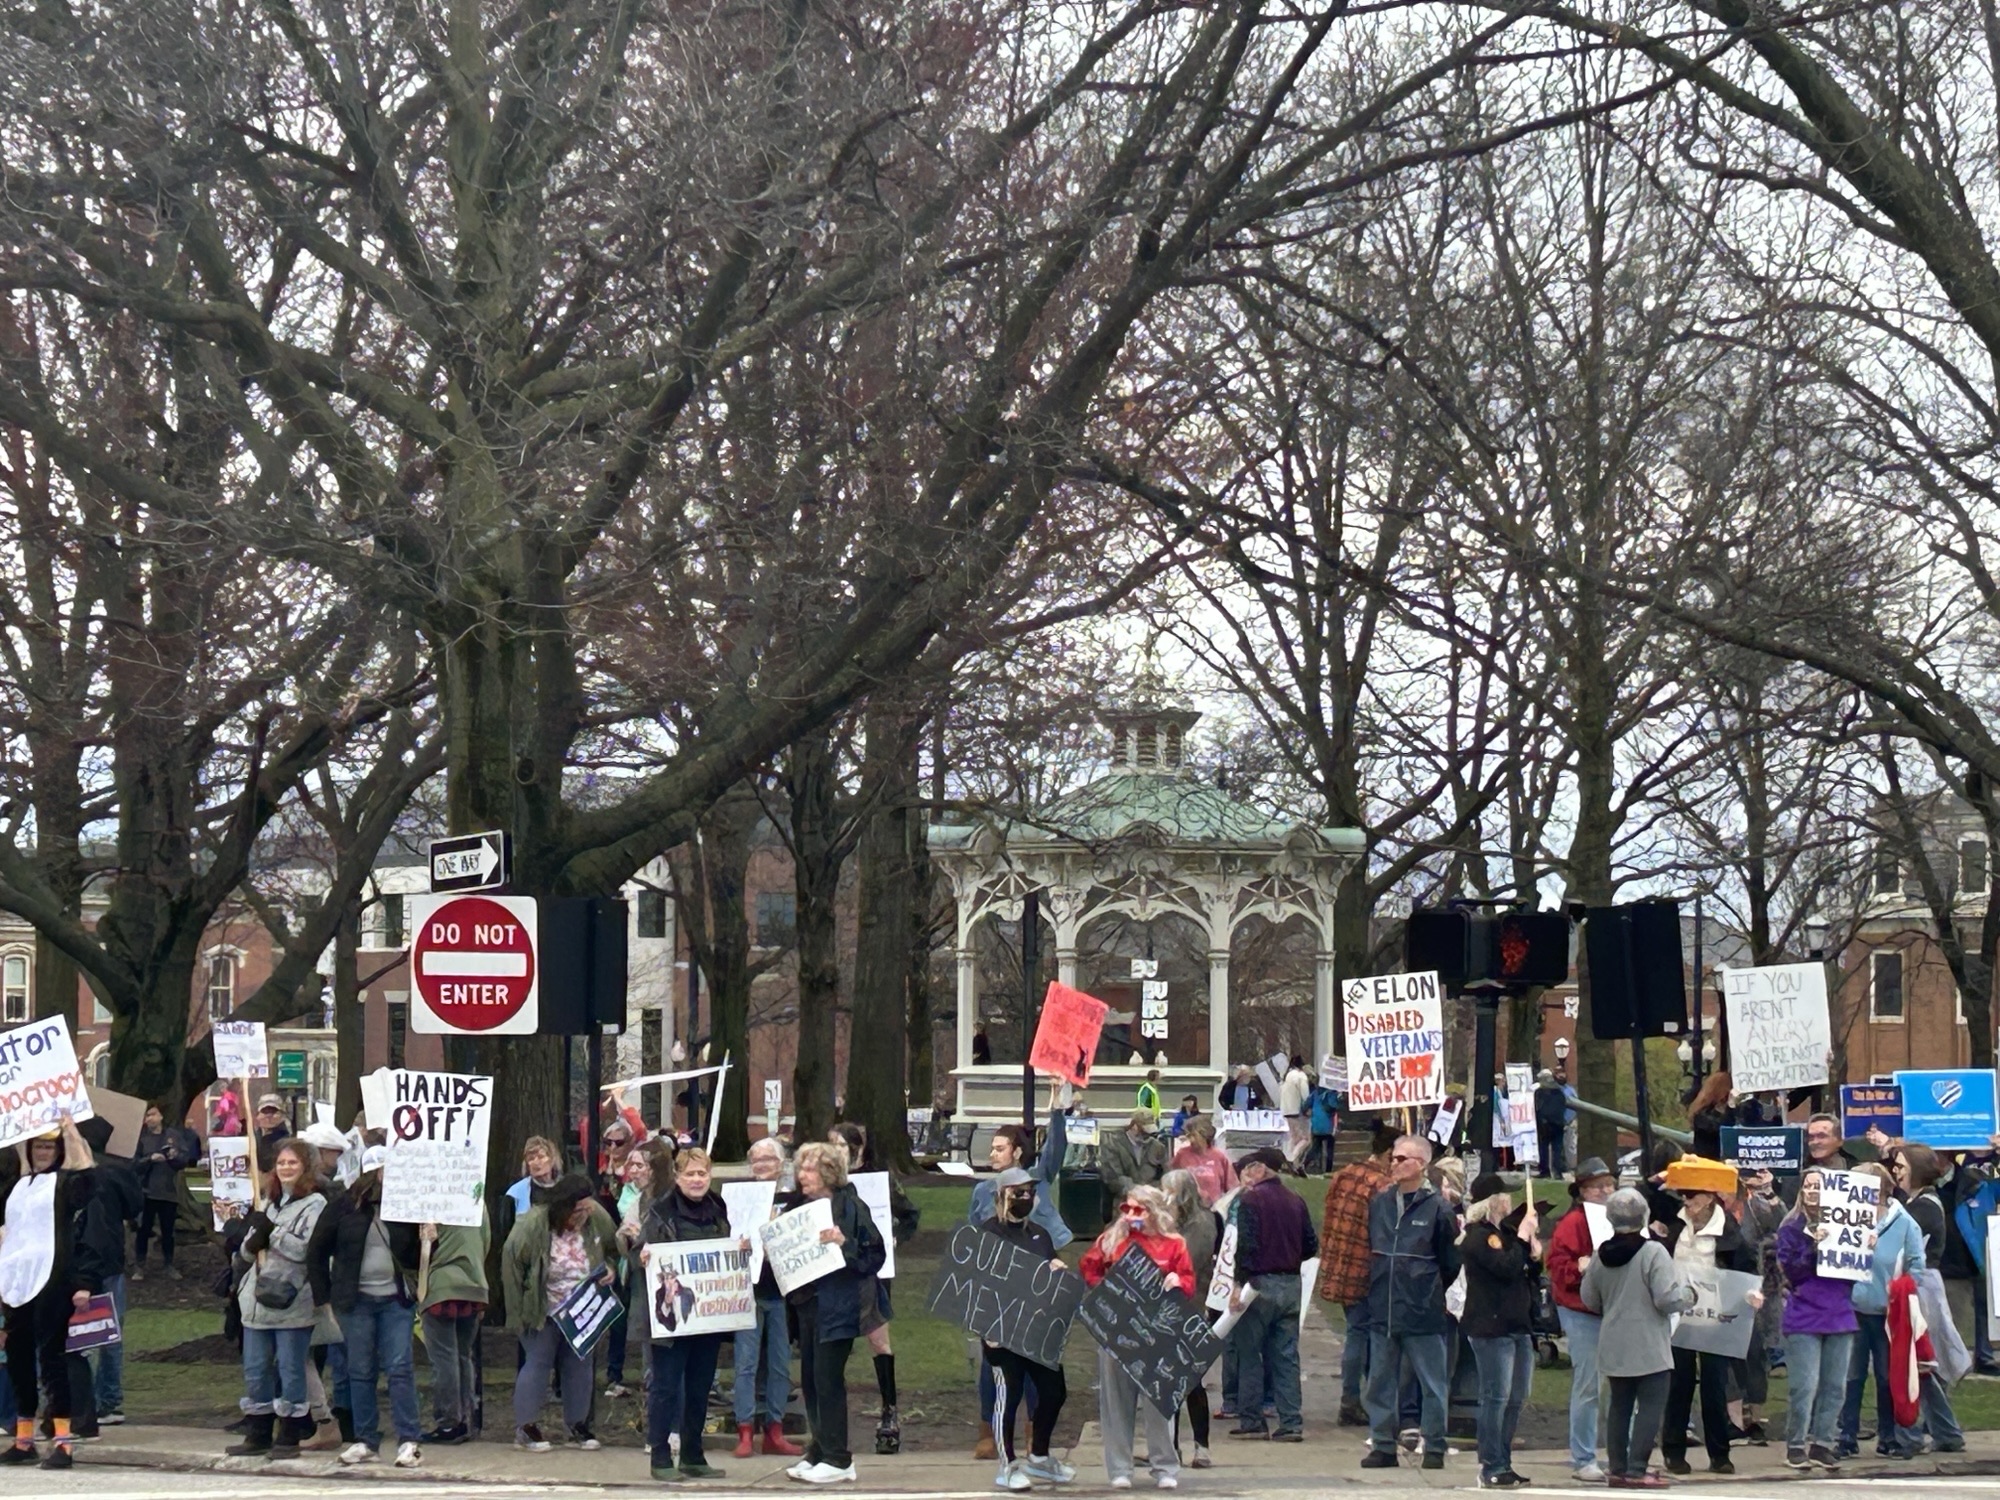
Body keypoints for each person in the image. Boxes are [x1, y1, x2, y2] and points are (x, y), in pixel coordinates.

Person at [969, 1084, 1072, 1461]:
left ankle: (1033, 1432)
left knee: (1035, 1361)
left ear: (1016, 1151)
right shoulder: (983, 1192)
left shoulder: (1036, 1179)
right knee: (995, 1362)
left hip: (1036, 1278)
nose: (993, 1154)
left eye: (1000, 1148)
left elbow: (1056, 1151)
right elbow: (972, 1240)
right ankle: (989, 1428)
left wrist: (1057, 1109)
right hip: (999, 1284)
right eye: (992, 1148)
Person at [306, 1145, 424, 1468]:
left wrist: (429, 1237)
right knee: (360, 1370)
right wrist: (324, 1298)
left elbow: (416, 1255)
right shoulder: (344, 1207)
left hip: (395, 1300)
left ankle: (408, 1439)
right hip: (355, 1301)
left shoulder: (405, 1205)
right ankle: (366, 1440)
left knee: (399, 1367)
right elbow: (317, 1250)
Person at [786, 1140, 887, 1484]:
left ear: (829, 1173)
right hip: (808, 1305)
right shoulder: (799, 1206)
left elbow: (874, 1256)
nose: (802, 1175)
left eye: (810, 1169)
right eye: (800, 1168)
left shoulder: (851, 1206)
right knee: (811, 1380)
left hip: (840, 1305)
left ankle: (839, 1458)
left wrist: (844, 1244)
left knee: (828, 1379)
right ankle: (820, 1450)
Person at [1080, 1186, 1193, 1490]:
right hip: (1117, 1329)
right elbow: (1088, 1266)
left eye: (1137, 1210)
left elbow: (1188, 1281)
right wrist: (1105, 1289)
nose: (1130, 1216)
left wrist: (1178, 1282)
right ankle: (1119, 1467)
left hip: (1157, 1331)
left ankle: (1165, 1465)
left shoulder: (1174, 1244)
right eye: (1126, 1209)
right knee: (1116, 1401)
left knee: (1160, 1400)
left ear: (1153, 1211)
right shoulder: (1112, 1239)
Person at [1582, 1187, 1695, 1488]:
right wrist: (1689, 1295)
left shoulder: (1600, 1255)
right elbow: (1666, 1299)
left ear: (1610, 1218)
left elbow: (1589, 1298)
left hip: (1614, 1340)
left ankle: (1617, 1467)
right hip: (1648, 1342)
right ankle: (1637, 1468)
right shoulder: (1652, 1252)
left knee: (1619, 1406)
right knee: (1650, 1407)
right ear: (1644, 1216)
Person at [0, 1118, 97, 1469]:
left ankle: (63, 1442)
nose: (43, 1152)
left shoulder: (65, 1183)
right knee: (18, 1357)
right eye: (38, 1146)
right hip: (16, 1282)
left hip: (52, 1279)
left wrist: (70, 1133)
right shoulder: (17, 1185)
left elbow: (87, 1181)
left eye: (49, 1146)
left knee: (52, 1359)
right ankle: (24, 1439)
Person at [639, 1148, 739, 1480]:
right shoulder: (661, 1210)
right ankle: (660, 1457)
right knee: (666, 1387)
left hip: (707, 1317)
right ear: (678, 1177)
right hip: (670, 1318)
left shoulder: (718, 1207)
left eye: (702, 1174)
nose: (697, 1180)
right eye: (690, 1174)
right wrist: (643, 1255)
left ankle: (693, 1455)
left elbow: (725, 1250)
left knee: (699, 1386)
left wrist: (740, 1251)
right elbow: (639, 1248)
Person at [1360, 1134, 1458, 1471]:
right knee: (1379, 1381)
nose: (1395, 1163)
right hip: (1383, 1303)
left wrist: (1428, 1288)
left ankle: (1435, 1445)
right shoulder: (1380, 1203)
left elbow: (1450, 1261)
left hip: (1421, 1308)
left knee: (1432, 1382)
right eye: (1394, 1157)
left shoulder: (1439, 1208)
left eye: (1403, 1159)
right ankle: (1383, 1444)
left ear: (1422, 1164)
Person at [503, 1173, 620, 1453]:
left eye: (587, 1208)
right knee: (538, 1362)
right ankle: (526, 1427)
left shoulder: (596, 1217)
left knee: (580, 1364)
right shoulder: (533, 1224)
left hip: (582, 1307)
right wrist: (517, 1313)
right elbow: (511, 1262)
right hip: (542, 1306)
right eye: (577, 1210)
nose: (583, 1215)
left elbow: (613, 1247)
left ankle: (577, 1425)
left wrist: (611, 1268)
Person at [1658, 1158, 1761, 1476]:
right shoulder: (1675, 1224)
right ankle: (1673, 1450)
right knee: (1678, 1384)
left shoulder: (1728, 1231)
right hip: (1679, 1317)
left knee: (1715, 1386)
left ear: (1708, 1198)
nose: (1686, 1201)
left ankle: (1719, 1452)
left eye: (1692, 1195)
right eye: (1683, 1195)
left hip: (1715, 1318)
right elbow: (1650, 1199)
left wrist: (1750, 1295)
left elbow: (1745, 1269)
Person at [228, 1137, 328, 1461]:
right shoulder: (268, 1203)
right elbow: (246, 1252)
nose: (286, 1168)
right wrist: (251, 1242)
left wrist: (273, 1233)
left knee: (290, 1367)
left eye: (292, 1162)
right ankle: (258, 1431)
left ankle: (290, 1433)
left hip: (291, 1299)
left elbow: (305, 1249)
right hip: (256, 1302)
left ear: (305, 1166)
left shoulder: (315, 1204)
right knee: (256, 1368)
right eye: (282, 1162)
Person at [982, 1167, 1075, 1489]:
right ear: (1001, 1195)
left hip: (1037, 1329)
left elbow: (1047, 1269)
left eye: (1029, 1192)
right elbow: (979, 1282)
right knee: (1008, 1396)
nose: (1025, 1197)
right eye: (1017, 1192)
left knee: (1054, 1391)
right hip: (1003, 1330)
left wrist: (1056, 1269)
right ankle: (1007, 1464)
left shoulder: (1039, 1234)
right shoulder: (989, 1234)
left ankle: (1039, 1456)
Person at [828, 1121, 914, 1455]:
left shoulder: (879, 1180)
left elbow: (909, 1215)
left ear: (857, 1148)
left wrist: (896, 1237)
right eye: (831, 1145)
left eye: (840, 1145)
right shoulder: (827, 1185)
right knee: (836, 1344)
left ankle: (889, 1411)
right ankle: (831, 1419)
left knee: (878, 1339)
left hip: (872, 1272)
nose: (836, 1152)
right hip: (837, 1274)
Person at [1225, 1148, 1317, 1442]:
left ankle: (1252, 1420)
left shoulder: (1251, 1200)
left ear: (1260, 1169)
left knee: (1250, 1353)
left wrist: (1237, 1285)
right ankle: (1291, 1421)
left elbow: (1246, 1247)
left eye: (1249, 1169)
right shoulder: (1296, 1200)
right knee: (1286, 1355)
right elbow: (1311, 1245)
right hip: (1290, 1283)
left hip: (1259, 1283)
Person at [1838, 1160, 1927, 1459]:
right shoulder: (1847, 1217)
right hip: (1851, 1309)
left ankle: (1888, 1437)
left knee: (1887, 1376)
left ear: (1876, 1189)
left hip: (1888, 1313)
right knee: (1851, 1375)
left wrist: (1900, 1289)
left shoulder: (1904, 1223)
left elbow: (1917, 1265)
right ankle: (1846, 1435)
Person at [1459, 1172, 1541, 1488]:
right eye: (1505, 1195)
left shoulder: (1504, 1233)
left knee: (1516, 1397)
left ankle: (1504, 1460)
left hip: (1517, 1323)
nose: (1510, 1200)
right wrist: (1521, 1237)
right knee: (1495, 1397)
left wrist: (1532, 1251)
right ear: (1492, 1201)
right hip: (1491, 1326)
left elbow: (1522, 1268)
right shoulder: (1479, 1237)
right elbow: (1504, 1267)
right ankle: (1491, 1462)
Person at [1775, 1165, 1856, 1471]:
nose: (1812, 1192)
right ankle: (1796, 1444)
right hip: (1804, 1313)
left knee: (1835, 1386)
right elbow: (1791, 1272)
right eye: (1807, 1186)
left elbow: (1855, 1273)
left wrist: (1865, 1249)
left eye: (1818, 1186)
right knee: (1805, 1385)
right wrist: (1813, 1246)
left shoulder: (1847, 1225)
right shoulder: (1791, 1227)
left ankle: (1823, 1443)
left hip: (1839, 1312)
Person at [1887, 1143, 1966, 1452]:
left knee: (1918, 1359)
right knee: (1920, 1362)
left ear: (1917, 1169)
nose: (1896, 1172)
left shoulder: (1925, 1207)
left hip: (1920, 1287)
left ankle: (1932, 1432)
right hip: (1915, 1285)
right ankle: (1946, 1432)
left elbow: (1900, 1241)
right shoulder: (1916, 1202)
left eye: (1901, 1166)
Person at [1316, 1124, 1396, 1429]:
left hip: (1341, 1263)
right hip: (1370, 1269)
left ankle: (1351, 1399)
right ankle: (1369, 1400)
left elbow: (1328, 1214)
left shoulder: (1345, 1174)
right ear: (1390, 1153)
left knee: (1355, 1333)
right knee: (1372, 1337)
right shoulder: (1383, 1185)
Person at [1547, 1156, 1617, 1481]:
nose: (1605, 1191)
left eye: (1608, 1185)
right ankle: (1584, 1458)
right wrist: (1579, 1267)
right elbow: (1557, 1267)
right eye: (1596, 1186)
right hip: (1581, 1309)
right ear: (1582, 1192)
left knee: (1621, 1387)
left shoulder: (1621, 1218)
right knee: (1589, 1386)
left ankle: (1621, 1455)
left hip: (1613, 1310)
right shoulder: (1572, 1223)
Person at [733, 1138, 802, 1459]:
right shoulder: (740, 1198)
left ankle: (775, 1429)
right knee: (745, 1364)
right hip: (747, 1291)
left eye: (768, 1159)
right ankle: (745, 1429)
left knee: (779, 1364)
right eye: (756, 1160)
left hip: (781, 1291)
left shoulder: (793, 1199)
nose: (762, 1165)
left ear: (781, 1164)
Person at [417, 1201, 490, 1447]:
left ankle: (449, 1421)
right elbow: (486, 1240)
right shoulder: (477, 1200)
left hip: (441, 1283)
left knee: (444, 1357)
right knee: (463, 1355)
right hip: (474, 1282)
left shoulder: (431, 1202)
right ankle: (467, 1417)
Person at [1162, 1168, 1219, 1469]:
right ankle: (1169, 1446)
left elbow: (1188, 1261)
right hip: (1167, 1307)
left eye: (1169, 1192)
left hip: (1192, 1306)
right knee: (1167, 1379)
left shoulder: (1201, 1223)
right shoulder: (1170, 1223)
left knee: (1191, 1379)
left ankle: (1201, 1446)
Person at [133, 1102, 195, 1281]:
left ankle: (169, 1264)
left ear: (161, 1116)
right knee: (143, 1230)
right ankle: (140, 1266)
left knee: (168, 1231)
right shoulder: (141, 1139)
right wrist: (149, 1159)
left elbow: (185, 1159)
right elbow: (134, 1163)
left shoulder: (173, 1136)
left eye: (153, 1114)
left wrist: (174, 1156)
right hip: (147, 1191)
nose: (149, 1119)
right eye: (147, 1116)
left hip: (169, 1191)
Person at [1101, 1109, 1168, 1199]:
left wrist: (1155, 1190)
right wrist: (1135, 1191)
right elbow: (1113, 1177)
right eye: (1144, 1132)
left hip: (1153, 1197)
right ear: (1134, 1126)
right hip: (1124, 1198)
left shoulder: (1158, 1147)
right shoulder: (1113, 1145)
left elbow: (1166, 1174)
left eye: (1151, 1133)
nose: (1148, 1136)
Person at [1169, 1118, 1235, 1207]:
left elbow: (1232, 1189)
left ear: (1205, 1135)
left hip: (1213, 1208)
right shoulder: (1182, 1154)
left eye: (1194, 1135)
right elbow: (1171, 1181)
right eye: (1188, 1136)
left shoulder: (1219, 1157)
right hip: (1187, 1208)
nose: (1191, 1140)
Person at [1685, 1073, 1734, 1162]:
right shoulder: (1702, 1114)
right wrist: (1730, 1108)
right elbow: (1720, 1128)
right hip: (1708, 1163)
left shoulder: (1724, 1112)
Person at [1279, 1056, 1313, 1172]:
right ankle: (1292, 1159)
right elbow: (1305, 1095)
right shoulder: (1301, 1076)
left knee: (1293, 1138)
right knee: (1305, 1139)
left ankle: (1289, 1161)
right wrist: (1308, 1108)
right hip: (1298, 1111)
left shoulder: (1286, 1076)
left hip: (1286, 1111)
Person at [1533, 1069, 1569, 1177]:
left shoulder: (1540, 1093)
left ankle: (1545, 1171)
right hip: (1558, 1123)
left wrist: (1540, 1120)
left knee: (1543, 1148)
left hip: (1545, 1124)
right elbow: (1562, 1107)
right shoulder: (1559, 1092)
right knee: (1557, 1149)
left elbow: (1537, 1108)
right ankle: (1557, 1172)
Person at [1307, 1080, 1338, 1176]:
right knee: (1329, 1148)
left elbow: (1305, 1105)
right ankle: (1328, 1169)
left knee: (1316, 1147)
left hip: (1316, 1125)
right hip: (1329, 1125)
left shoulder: (1314, 1093)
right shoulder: (1332, 1093)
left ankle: (1311, 1165)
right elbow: (1334, 1106)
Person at [253, 1094, 292, 1162]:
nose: (269, 1115)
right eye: (265, 1111)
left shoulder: (286, 1140)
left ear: (282, 1115)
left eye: (273, 1111)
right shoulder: (253, 1136)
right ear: (258, 1115)